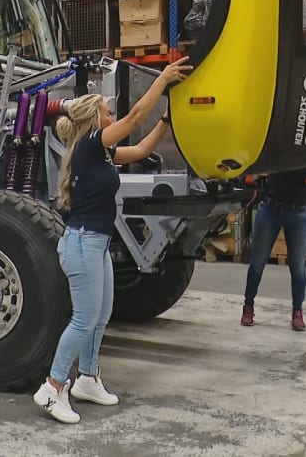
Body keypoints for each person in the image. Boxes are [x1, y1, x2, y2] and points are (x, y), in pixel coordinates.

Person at [33, 56, 192, 424]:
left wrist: (167, 119)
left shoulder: (100, 154)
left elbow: (139, 150)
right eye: (107, 111)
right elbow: (135, 118)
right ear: (95, 118)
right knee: (84, 319)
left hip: (96, 244)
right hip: (82, 243)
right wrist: (163, 79)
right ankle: (52, 387)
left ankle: (87, 379)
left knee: (100, 315)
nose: (111, 115)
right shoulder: (89, 144)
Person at [241, 168, 306, 331]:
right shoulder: (279, 145)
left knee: (298, 266)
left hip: (298, 209)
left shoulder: (302, 146)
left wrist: (285, 167)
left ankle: (297, 312)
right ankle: (248, 306)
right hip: (270, 207)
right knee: (257, 262)